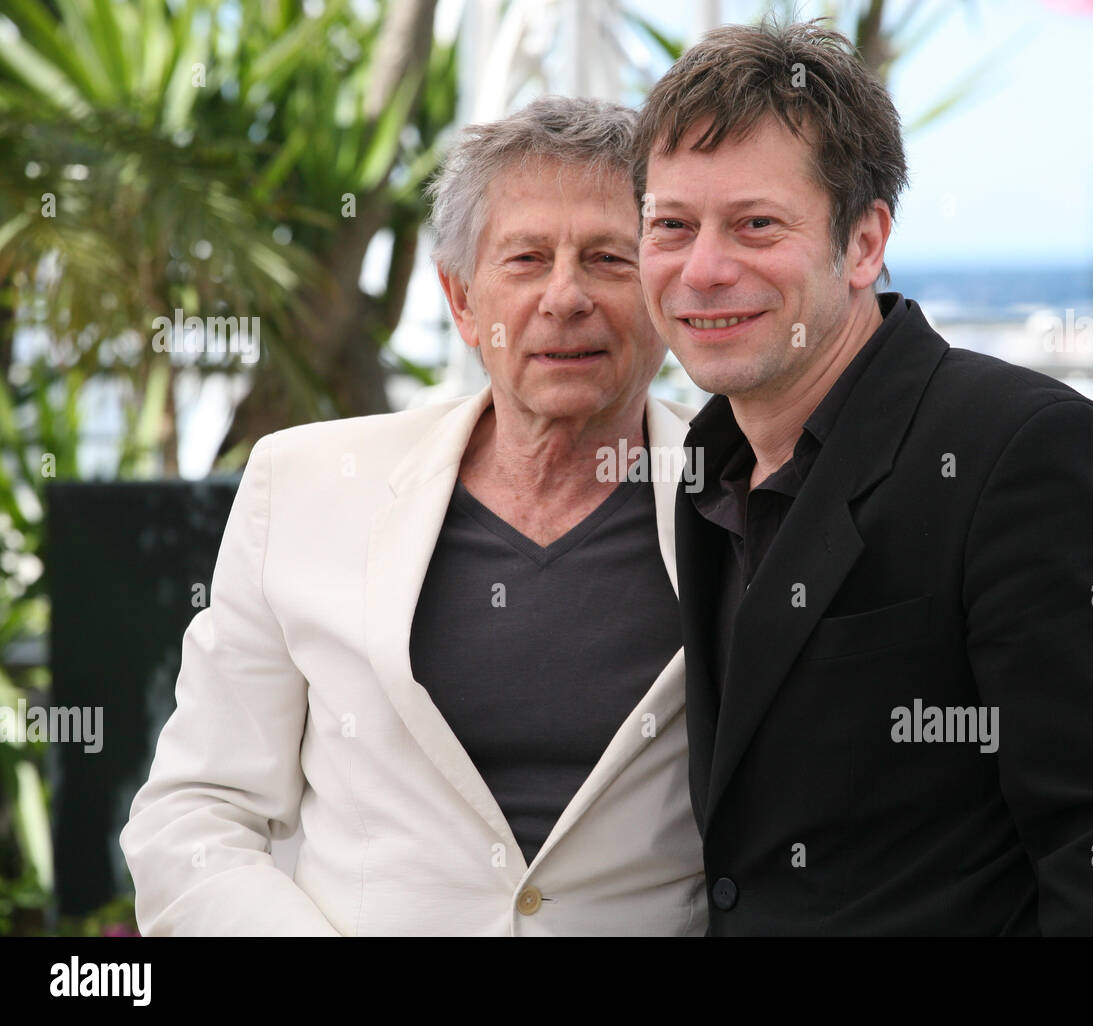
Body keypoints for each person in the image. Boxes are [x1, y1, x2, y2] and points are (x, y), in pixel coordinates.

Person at [632, 17, 1093, 935]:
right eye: (671, 226)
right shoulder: (705, 466)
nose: (703, 269)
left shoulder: (1025, 452)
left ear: (865, 244)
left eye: (755, 224)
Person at [120, 96, 706, 935]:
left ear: (659, 291)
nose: (566, 296)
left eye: (608, 258)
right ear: (462, 302)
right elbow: (196, 815)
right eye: (527, 258)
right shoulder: (305, 485)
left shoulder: (748, 503)